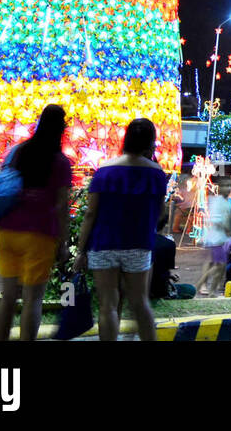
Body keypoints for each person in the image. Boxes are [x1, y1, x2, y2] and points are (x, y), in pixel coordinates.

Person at [72, 118, 168, 341]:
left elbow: (90, 214)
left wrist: (81, 250)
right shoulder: (156, 173)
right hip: (139, 244)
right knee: (140, 304)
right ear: (150, 141)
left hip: (104, 245)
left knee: (108, 306)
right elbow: (161, 213)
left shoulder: (104, 171)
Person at [0, 104, 72, 342]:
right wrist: (64, 242)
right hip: (39, 234)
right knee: (32, 298)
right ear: (62, 128)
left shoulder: (19, 152)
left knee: (7, 297)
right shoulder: (60, 161)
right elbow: (61, 206)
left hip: (7, 229)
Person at [195, 180, 231, 296]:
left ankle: (209, 289)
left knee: (215, 264)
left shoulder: (222, 201)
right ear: (219, 188)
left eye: (229, 185)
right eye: (226, 185)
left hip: (217, 238)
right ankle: (202, 286)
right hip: (218, 238)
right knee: (219, 265)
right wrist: (227, 228)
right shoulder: (219, 202)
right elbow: (216, 220)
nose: (229, 188)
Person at [150, 212, 178, 300]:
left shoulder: (136, 242)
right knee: (190, 289)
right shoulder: (169, 244)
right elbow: (166, 267)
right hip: (159, 289)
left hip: (134, 287)